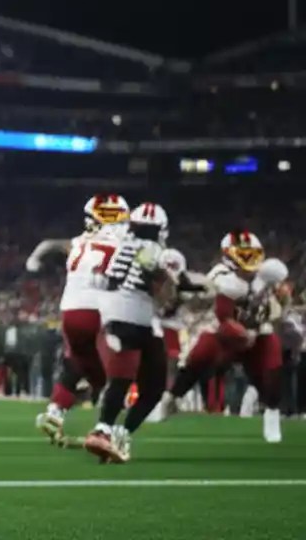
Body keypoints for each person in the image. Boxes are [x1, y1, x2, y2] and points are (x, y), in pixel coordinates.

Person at [159, 232, 290, 443]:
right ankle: (172, 398)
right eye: (243, 255)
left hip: (256, 330)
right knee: (200, 355)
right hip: (223, 333)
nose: (250, 261)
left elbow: (281, 303)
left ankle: (272, 412)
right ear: (228, 257)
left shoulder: (269, 273)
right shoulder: (223, 278)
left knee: (271, 366)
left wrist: (281, 301)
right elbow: (223, 318)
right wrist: (240, 332)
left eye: (252, 254)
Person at [84, 203, 185, 463]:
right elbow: (162, 293)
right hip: (139, 317)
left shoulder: (121, 246)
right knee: (153, 387)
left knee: (122, 378)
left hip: (113, 313)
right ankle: (118, 432)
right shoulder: (159, 252)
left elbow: (107, 280)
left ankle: (105, 429)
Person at [30, 194, 130, 442]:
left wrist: (33, 260)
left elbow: (48, 244)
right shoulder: (124, 245)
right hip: (100, 313)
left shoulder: (78, 242)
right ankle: (103, 430)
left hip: (70, 311)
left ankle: (55, 411)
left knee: (76, 363)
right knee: (116, 373)